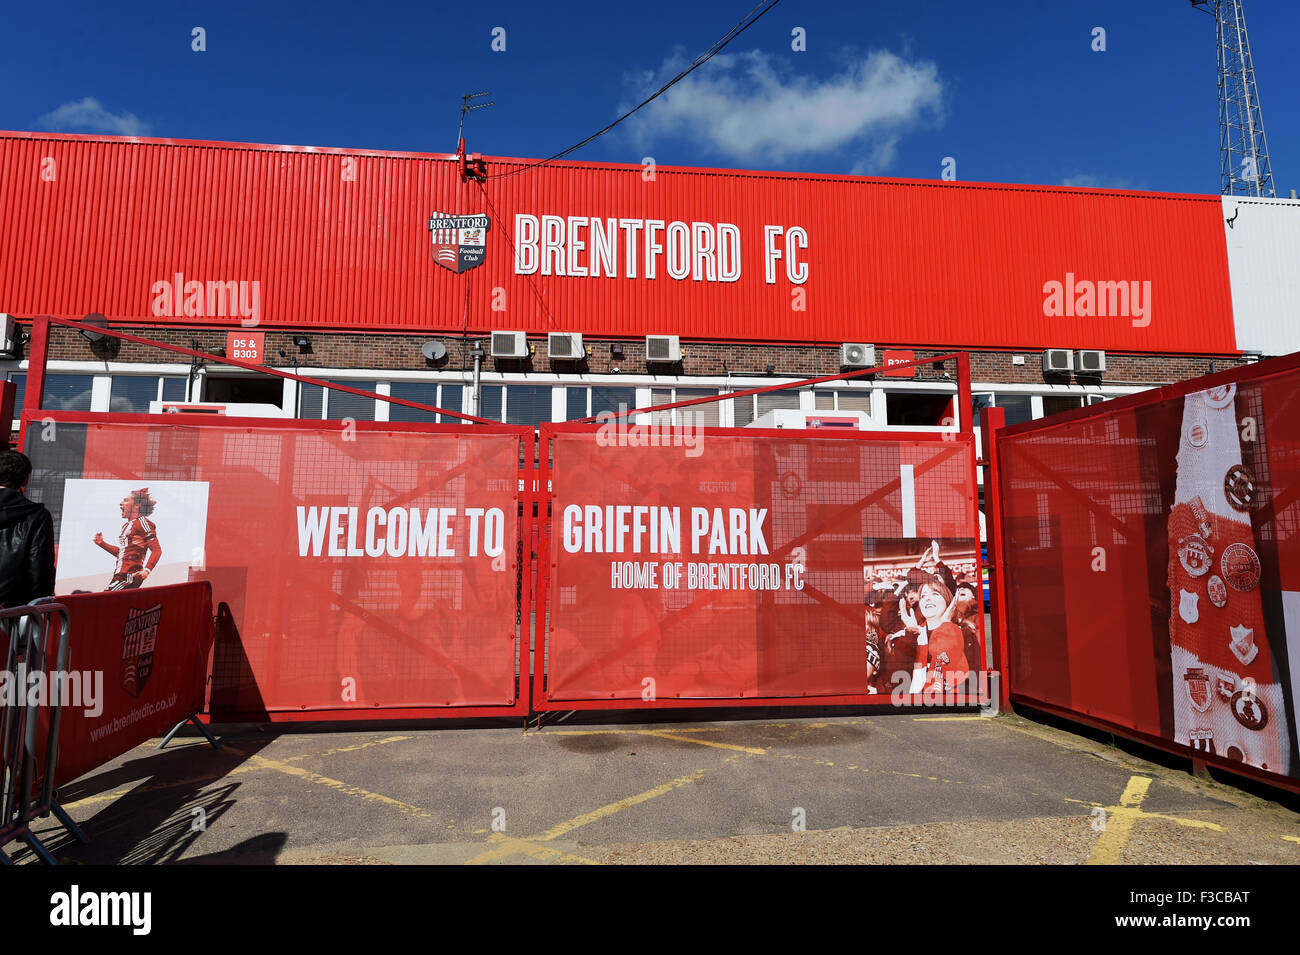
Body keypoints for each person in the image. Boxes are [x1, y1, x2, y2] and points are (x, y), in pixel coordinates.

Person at [0, 450, 56, 608]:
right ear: (26, 480)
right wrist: (41, 607)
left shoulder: (36, 516)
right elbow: (38, 567)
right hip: (13, 612)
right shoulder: (37, 516)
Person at [93, 487, 162, 590]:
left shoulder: (142, 522)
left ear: (137, 506)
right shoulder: (126, 526)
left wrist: (147, 570)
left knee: (103, 600)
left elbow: (157, 550)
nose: (121, 503)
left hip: (129, 575)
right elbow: (122, 553)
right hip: (121, 575)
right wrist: (102, 543)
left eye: (126, 500)